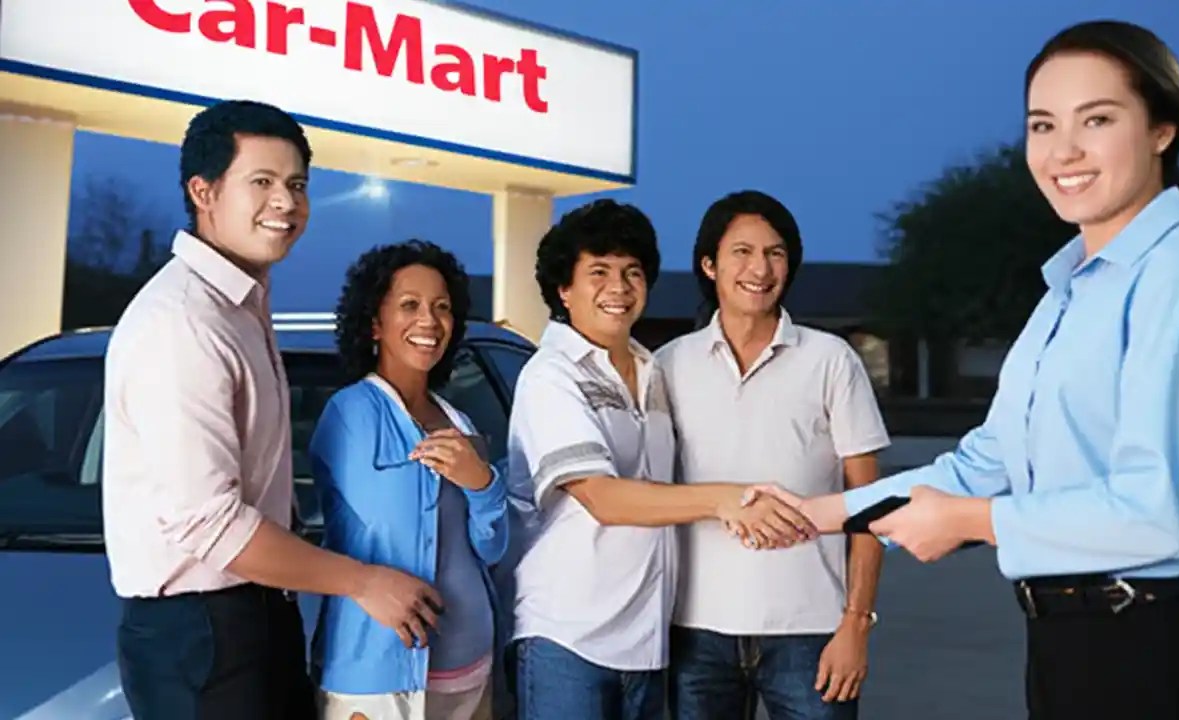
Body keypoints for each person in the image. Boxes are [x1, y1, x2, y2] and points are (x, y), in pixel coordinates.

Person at [788, 20, 1179, 719]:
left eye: (1097, 119)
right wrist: (817, 513)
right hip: (1066, 645)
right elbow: (985, 463)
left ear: (1162, 130)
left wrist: (968, 521)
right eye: (1042, 125)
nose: (1062, 150)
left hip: (1157, 650)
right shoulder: (1067, 294)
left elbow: (1160, 513)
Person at [102, 100, 443, 719]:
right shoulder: (182, 322)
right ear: (203, 191)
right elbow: (208, 523)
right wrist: (363, 581)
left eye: (297, 185)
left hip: (254, 616)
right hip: (203, 636)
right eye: (261, 182)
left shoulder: (240, 305)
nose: (285, 202)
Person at [505, 199, 817, 720]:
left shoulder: (654, 370)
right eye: (598, 273)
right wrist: (726, 500)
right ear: (564, 289)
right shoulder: (551, 376)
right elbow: (602, 497)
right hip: (568, 639)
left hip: (647, 645)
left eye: (632, 273)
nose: (619, 288)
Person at [656, 190, 891, 720]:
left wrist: (856, 625)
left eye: (775, 253)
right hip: (695, 633)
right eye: (742, 252)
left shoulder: (831, 360)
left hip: (812, 631)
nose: (760, 269)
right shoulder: (669, 365)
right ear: (709, 265)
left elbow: (870, 504)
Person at [308, 240, 510, 720]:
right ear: (374, 324)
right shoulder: (352, 413)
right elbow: (390, 524)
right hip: (381, 673)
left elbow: (493, 547)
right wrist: (460, 470)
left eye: (442, 307)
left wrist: (482, 483)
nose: (429, 321)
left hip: (471, 667)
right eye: (409, 305)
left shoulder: (458, 420)